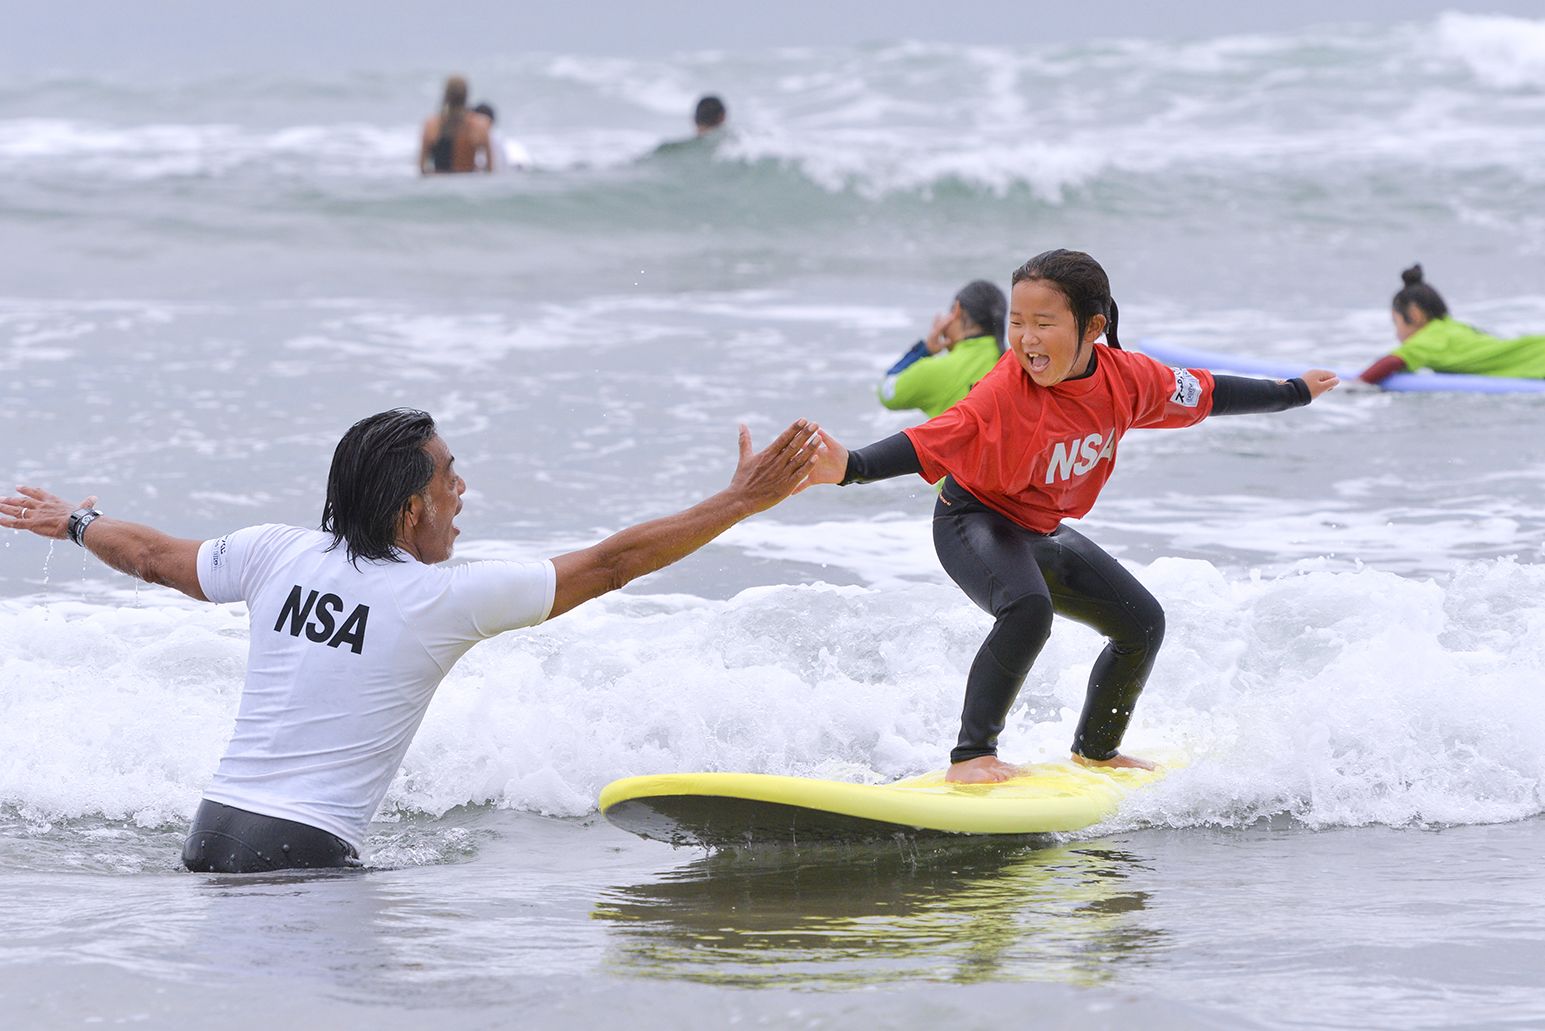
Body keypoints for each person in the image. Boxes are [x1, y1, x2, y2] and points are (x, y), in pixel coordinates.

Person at [0, 410, 819, 872]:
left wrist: (75, 522)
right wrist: (739, 500)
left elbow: (149, 557)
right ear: (407, 511)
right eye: (447, 478)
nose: (461, 491)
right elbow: (611, 565)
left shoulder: (272, 551)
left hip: (207, 836)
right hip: (302, 854)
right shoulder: (438, 597)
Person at [802, 250, 1339, 783]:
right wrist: (851, 466)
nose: (1026, 338)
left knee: (1142, 622)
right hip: (972, 518)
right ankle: (971, 756)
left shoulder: (1128, 380)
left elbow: (1209, 391)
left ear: (1093, 327)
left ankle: (1096, 752)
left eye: (1043, 323)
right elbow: (928, 441)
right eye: (1016, 322)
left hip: (1038, 528)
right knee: (1027, 609)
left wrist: (1292, 393)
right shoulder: (1002, 393)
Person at [1359, 264, 1545, 383]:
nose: (1396, 334)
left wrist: (1356, 384)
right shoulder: (1452, 327)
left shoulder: (1430, 337)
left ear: (1415, 315)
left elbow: (1392, 361)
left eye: (1396, 322)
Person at [879, 280, 1007, 418]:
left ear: (957, 310)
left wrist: (925, 350)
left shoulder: (936, 370)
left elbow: (887, 394)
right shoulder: (1016, 365)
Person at [419, 75, 493, 175]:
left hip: (439, 183)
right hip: (468, 183)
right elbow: (490, 169)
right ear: (466, 95)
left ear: (445, 95)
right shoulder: (480, 125)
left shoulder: (431, 125)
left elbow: (422, 168)